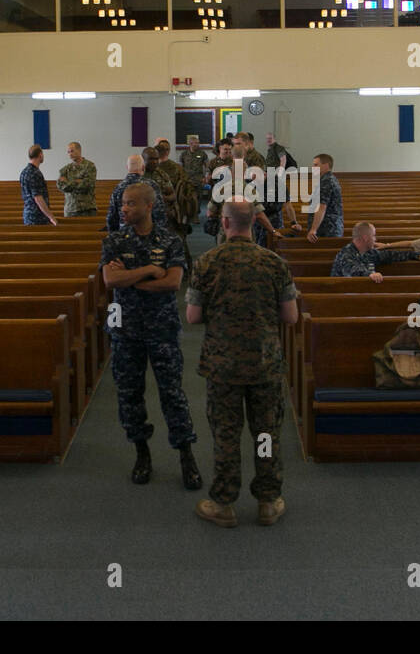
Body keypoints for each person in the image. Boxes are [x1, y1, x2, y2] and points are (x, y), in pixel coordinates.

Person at [187, 199, 300, 528]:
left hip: (223, 366)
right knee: (265, 434)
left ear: (224, 223)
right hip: (265, 364)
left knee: (226, 434)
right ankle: (267, 501)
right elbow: (291, 316)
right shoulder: (274, 263)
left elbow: (193, 316)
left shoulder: (207, 261)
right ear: (253, 222)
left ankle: (223, 503)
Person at [100, 182, 201, 489]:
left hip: (162, 329)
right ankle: (141, 453)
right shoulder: (115, 240)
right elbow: (109, 279)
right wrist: (148, 270)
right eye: (123, 203)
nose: (124, 208)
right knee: (130, 394)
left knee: (172, 393)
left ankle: (186, 455)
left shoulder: (169, 240)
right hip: (125, 330)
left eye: (130, 203)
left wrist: (130, 279)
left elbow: (172, 283)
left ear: (147, 206)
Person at [331, 222, 420, 281]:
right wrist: (369, 274)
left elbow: (390, 255)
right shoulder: (346, 253)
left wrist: (416, 255)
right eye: (373, 236)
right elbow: (353, 269)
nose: (375, 239)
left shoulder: (369, 252)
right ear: (366, 238)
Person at [106, 154, 170, 233]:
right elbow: (160, 214)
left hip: (124, 235)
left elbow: (111, 218)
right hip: (147, 234)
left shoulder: (118, 188)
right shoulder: (151, 185)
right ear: (143, 167)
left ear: (127, 167)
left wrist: (114, 236)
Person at [306, 153, 344, 241]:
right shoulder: (329, 179)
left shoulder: (326, 181)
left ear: (326, 165)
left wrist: (313, 229)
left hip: (327, 229)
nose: (313, 167)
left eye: (316, 165)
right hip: (330, 228)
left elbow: (321, 207)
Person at [20, 145, 59, 226]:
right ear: (40, 154)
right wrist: (51, 217)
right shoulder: (35, 173)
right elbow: (38, 198)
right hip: (37, 217)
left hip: (28, 214)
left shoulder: (24, 172)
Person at [56, 142, 98, 217]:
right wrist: (78, 181)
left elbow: (87, 185)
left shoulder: (90, 166)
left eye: (72, 151)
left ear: (79, 150)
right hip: (70, 210)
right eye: (68, 152)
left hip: (87, 209)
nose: (70, 154)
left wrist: (67, 181)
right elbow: (61, 187)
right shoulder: (65, 169)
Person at [143, 146, 179, 223]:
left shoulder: (162, 174)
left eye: (156, 159)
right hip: (143, 217)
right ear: (143, 159)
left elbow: (173, 195)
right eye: (151, 159)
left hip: (160, 216)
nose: (155, 162)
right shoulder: (139, 174)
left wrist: (163, 198)